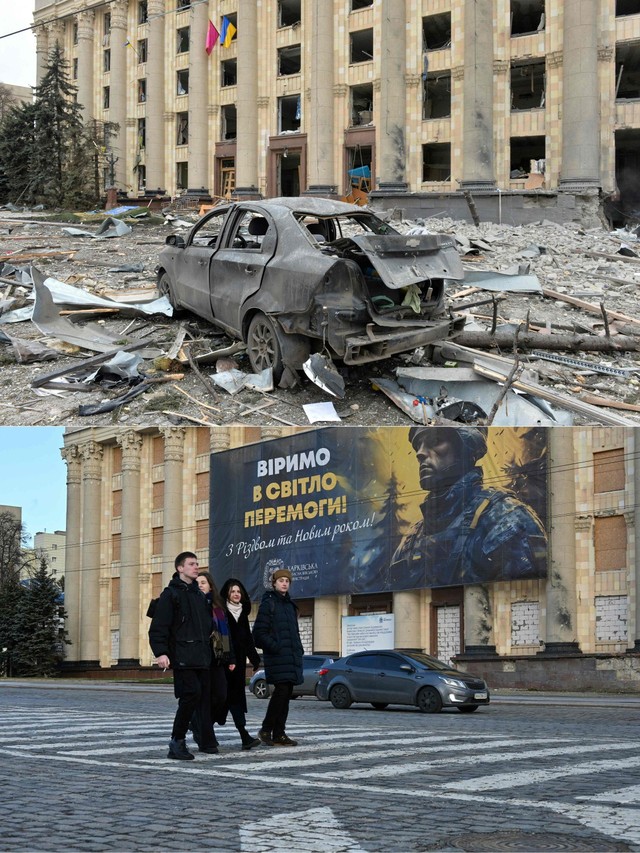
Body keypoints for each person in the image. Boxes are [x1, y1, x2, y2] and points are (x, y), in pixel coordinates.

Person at [389, 427, 547, 589]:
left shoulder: (504, 518)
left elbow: (527, 594)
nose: (420, 453)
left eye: (435, 441)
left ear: (464, 449)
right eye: (418, 446)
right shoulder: (412, 538)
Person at [148, 551, 217, 760]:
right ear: (180, 568)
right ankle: (177, 742)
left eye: (197, 564)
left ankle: (196, 737)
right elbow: (159, 627)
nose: (196, 567)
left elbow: (206, 625)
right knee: (190, 696)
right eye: (191, 564)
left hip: (201, 656)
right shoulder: (171, 594)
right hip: (183, 656)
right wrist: (161, 652)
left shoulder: (199, 595)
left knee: (198, 698)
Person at [252, 562, 304, 747]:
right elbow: (258, 635)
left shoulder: (290, 606)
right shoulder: (269, 604)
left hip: (291, 658)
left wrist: (298, 650)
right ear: (274, 583)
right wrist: (276, 647)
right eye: (281, 581)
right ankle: (266, 730)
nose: (284, 584)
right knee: (281, 693)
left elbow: (293, 633)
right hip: (278, 657)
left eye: (287, 581)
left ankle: (279, 733)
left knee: (286, 693)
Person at [191, 571, 236, 752]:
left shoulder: (218, 607)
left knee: (221, 696)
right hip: (200, 659)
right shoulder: (193, 604)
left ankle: (198, 723)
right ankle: (206, 739)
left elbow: (227, 635)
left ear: (210, 585)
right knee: (204, 700)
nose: (200, 585)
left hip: (217, 659)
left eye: (204, 582)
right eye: (198, 582)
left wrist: (230, 657)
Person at [220, 577, 262, 750]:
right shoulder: (220, 612)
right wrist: (229, 658)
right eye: (232, 591)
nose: (236, 594)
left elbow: (247, 640)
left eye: (238, 591)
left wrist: (255, 659)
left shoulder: (243, 613)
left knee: (234, 699)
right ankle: (197, 726)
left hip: (238, 666)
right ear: (227, 594)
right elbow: (222, 638)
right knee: (220, 699)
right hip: (223, 665)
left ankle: (244, 736)